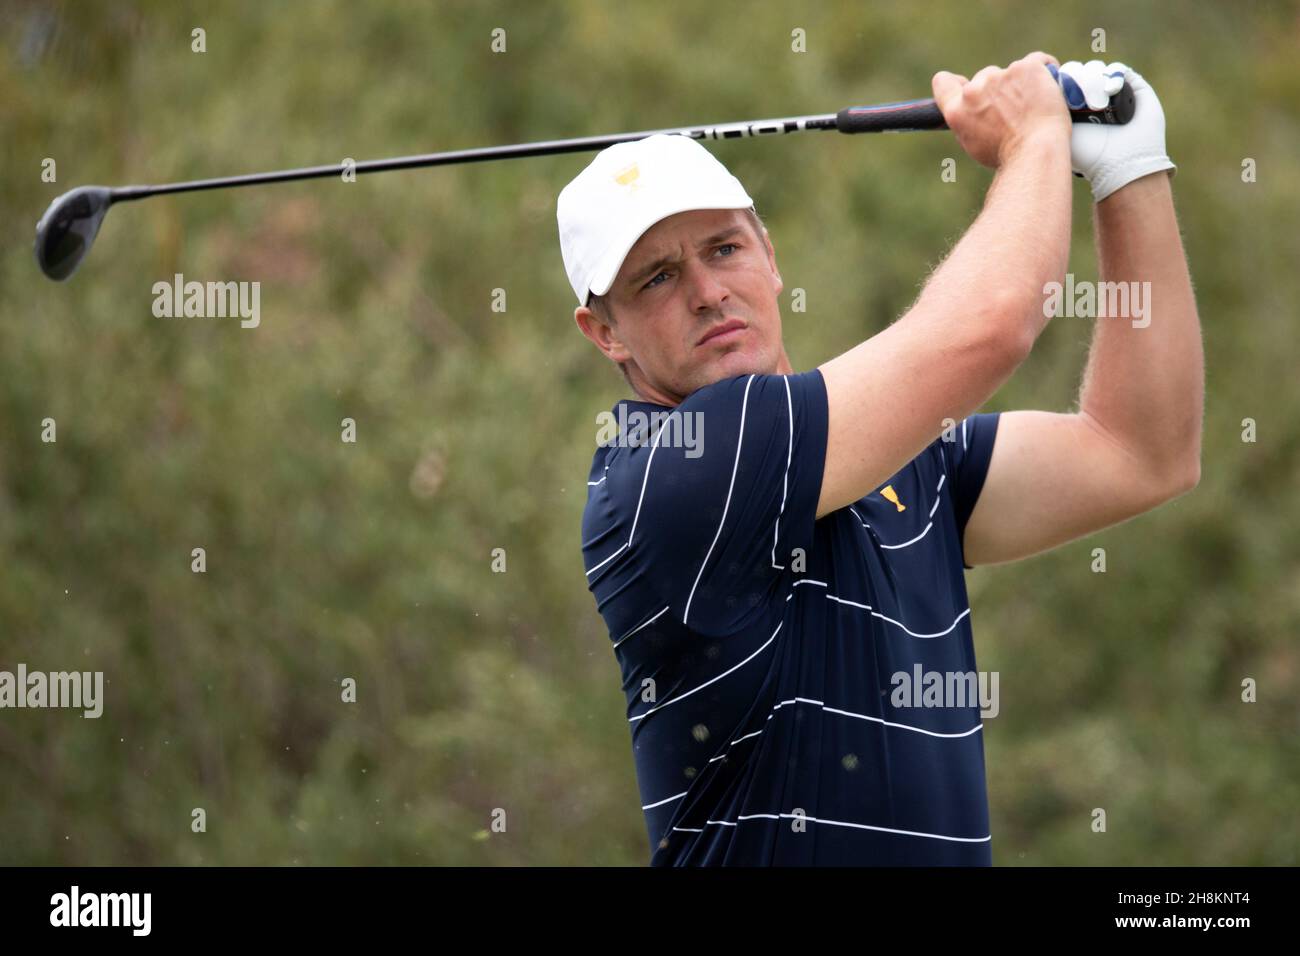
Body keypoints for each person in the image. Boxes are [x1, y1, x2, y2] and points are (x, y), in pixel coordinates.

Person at [556, 52, 1203, 865]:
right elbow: (996, 323)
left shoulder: (901, 462)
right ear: (604, 332)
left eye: (723, 249)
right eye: (655, 278)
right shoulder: (670, 469)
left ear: (770, 253)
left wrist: (1131, 171)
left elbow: (1142, 452)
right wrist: (1034, 135)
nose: (706, 290)